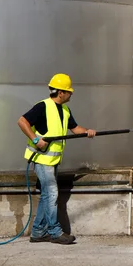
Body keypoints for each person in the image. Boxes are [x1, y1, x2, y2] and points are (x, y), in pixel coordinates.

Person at [17, 73, 96, 245]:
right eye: (69, 91)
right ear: (61, 93)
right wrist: (36, 140)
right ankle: (54, 232)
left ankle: (38, 232)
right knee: (52, 193)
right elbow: (22, 121)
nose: (71, 94)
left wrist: (87, 131)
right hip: (41, 159)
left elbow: (74, 128)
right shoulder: (42, 106)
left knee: (47, 195)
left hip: (52, 161)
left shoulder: (65, 110)